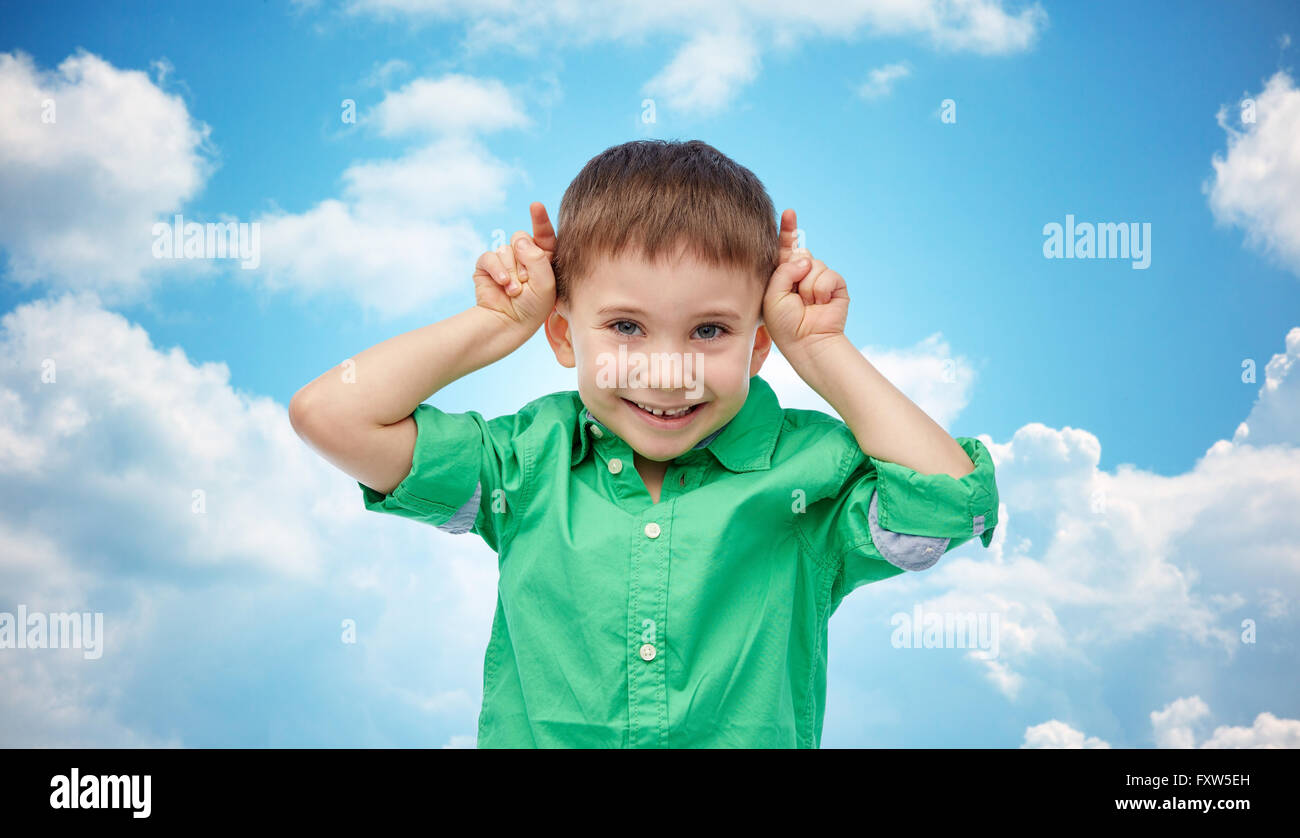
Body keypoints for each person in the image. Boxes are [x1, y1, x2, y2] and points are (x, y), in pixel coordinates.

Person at [289, 139, 999, 748]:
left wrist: (821, 348)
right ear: (565, 334)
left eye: (710, 331)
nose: (668, 370)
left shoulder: (809, 476)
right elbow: (330, 415)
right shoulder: (526, 462)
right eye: (626, 327)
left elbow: (948, 504)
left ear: (760, 345)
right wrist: (497, 325)